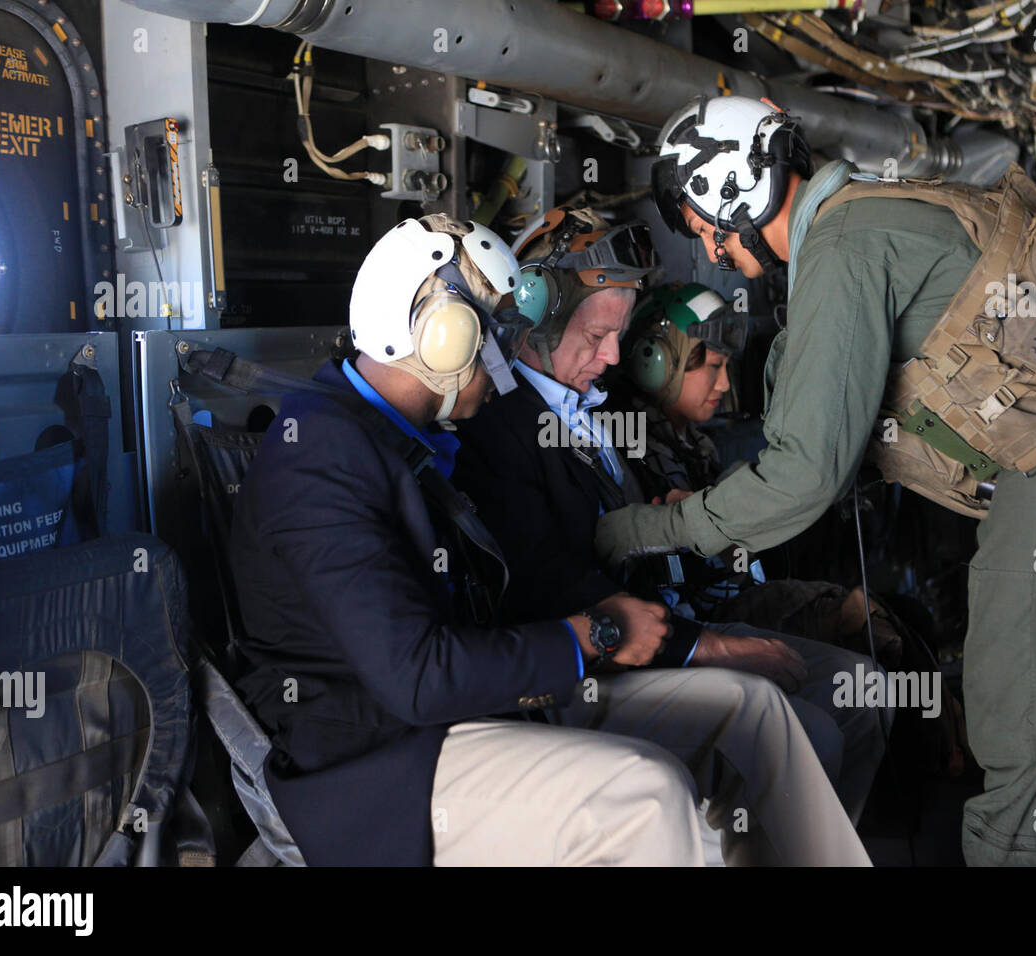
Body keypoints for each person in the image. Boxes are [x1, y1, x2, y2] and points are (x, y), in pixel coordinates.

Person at [597, 93, 1036, 866]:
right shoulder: (865, 214)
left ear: (735, 192)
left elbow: (803, 477)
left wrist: (642, 530)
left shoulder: (840, 249)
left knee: (1017, 709)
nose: (715, 252)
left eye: (705, 230)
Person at [228, 212, 869, 866]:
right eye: (499, 337)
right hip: (385, 758)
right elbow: (418, 678)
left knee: (752, 716)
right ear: (447, 339)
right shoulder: (323, 459)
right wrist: (595, 634)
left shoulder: (402, 436)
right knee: (644, 795)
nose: (509, 360)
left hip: (477, 701)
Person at [453, 206, 892, 824]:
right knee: (806, 734)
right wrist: (703, 646)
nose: (612, 356)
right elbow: (541, 582)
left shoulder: (593, 409)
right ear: (535, 321)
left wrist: (667, 527)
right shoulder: (499, 425)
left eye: (618, 335)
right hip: (595, 661)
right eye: (596, 337)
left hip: (667, 623)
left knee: (864, 689)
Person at [614, 281, 904, 668]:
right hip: (695, 626)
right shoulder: (633, 450)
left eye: (726, 367)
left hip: (737, 602)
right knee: (861, 632)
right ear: (655, 364)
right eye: (713, 367)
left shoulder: (693, 445)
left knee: (881, 618)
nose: (724, 384)